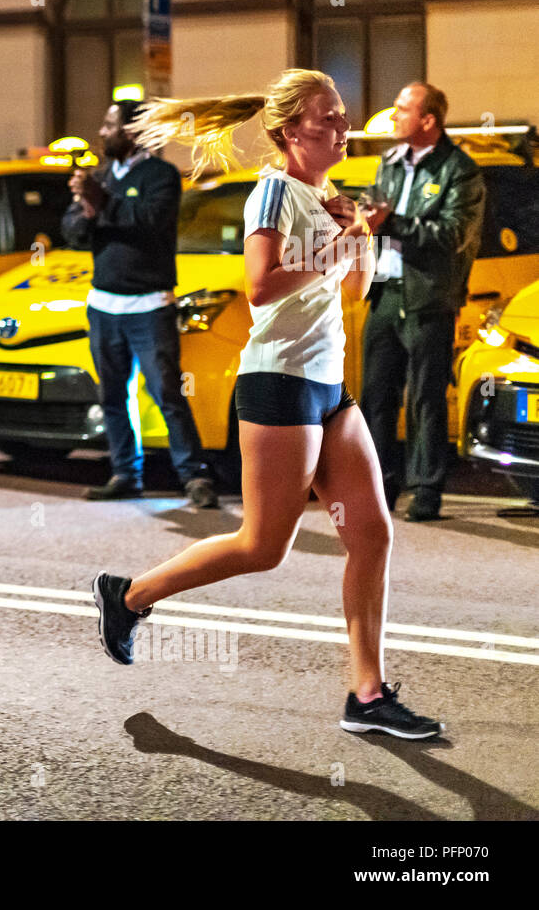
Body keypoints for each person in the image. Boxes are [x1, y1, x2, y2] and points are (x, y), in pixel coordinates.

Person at [92, 69, 444, 740]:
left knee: (371, 534)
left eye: (343, 115)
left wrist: (359, 236)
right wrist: (338, 244)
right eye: (328, 117)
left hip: (326, 387)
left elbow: (358, 288)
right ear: (291, 132)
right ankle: (128, 596)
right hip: (278, 380)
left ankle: (365, 696)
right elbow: (260, 286)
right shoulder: (273, 193)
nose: (343, 126)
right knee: (263, 546)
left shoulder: (326, 196)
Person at [63, 100, 218, 509]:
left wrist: (103, 203)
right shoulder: (99, 178)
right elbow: (74, 230)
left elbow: (151, 221)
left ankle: (194, 476)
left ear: (131, 133)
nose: (101, 132)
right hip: (104, 306)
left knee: (166, 391)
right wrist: (90, 209)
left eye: (109, 125)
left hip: (148, 306)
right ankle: (125, 474)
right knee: (113, 395)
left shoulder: (161, 175)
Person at [359, 82, 485, 522]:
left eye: (401, 109)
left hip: (429, 299)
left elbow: (453, 235)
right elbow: (374, 216)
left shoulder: (459, 170)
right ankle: (379, 487)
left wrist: (392, 222)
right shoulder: (389, 163)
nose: (392, 116)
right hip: (384, 293)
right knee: (375, 396)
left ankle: (426, 490)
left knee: (425, 399)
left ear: (428, 120)